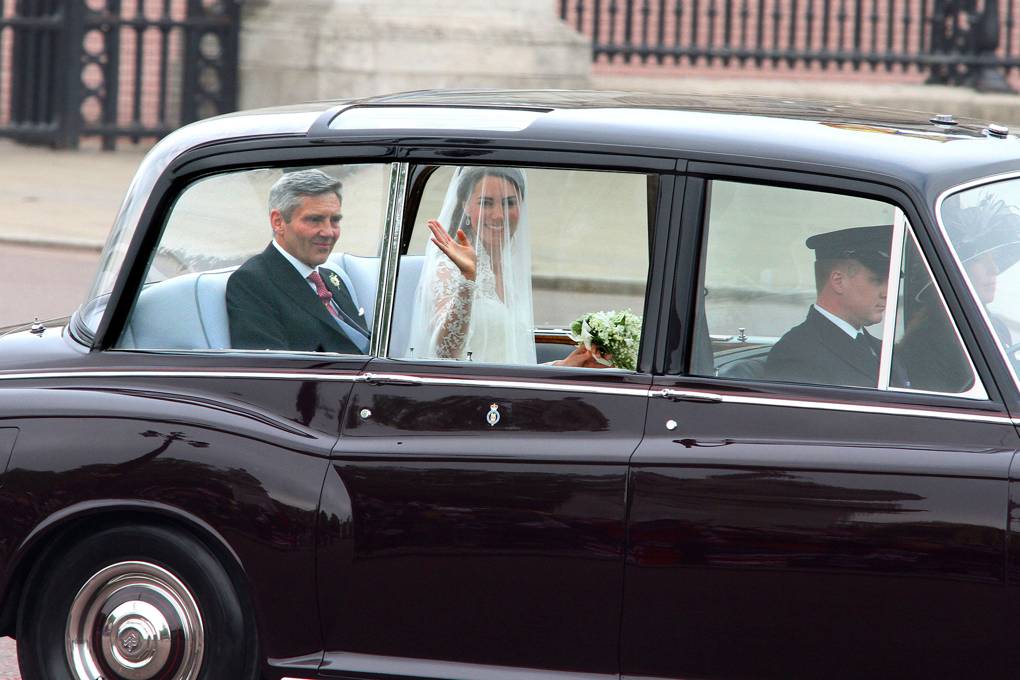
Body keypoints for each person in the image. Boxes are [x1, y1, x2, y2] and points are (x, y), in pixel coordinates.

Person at [405, 166, 602, 367]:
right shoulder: (447, 269)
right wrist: (468, 279)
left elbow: (507, 360)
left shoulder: (509, 273)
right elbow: (444, 354)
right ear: (466, 205)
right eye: (486, 203)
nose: (499, 215)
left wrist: (562, 366)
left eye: (509, 203)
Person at [227, 169, 370, 353]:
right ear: (278, 222)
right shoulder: (252, 283)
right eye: (314, 220)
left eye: (334, 220)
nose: (328, 232)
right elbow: (268, 370)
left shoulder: (331, 277)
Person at [896, 194, 1020, 390]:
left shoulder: (995, 326)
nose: (994, 269)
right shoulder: (925, 341)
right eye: (981, 260)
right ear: (957, 269)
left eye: (994, 258)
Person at [765, 225, 898, 388]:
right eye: (876, 281)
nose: (887, 293)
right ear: (838, 281)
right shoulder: (797, 354)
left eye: (889, 282)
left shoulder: (881, 348)